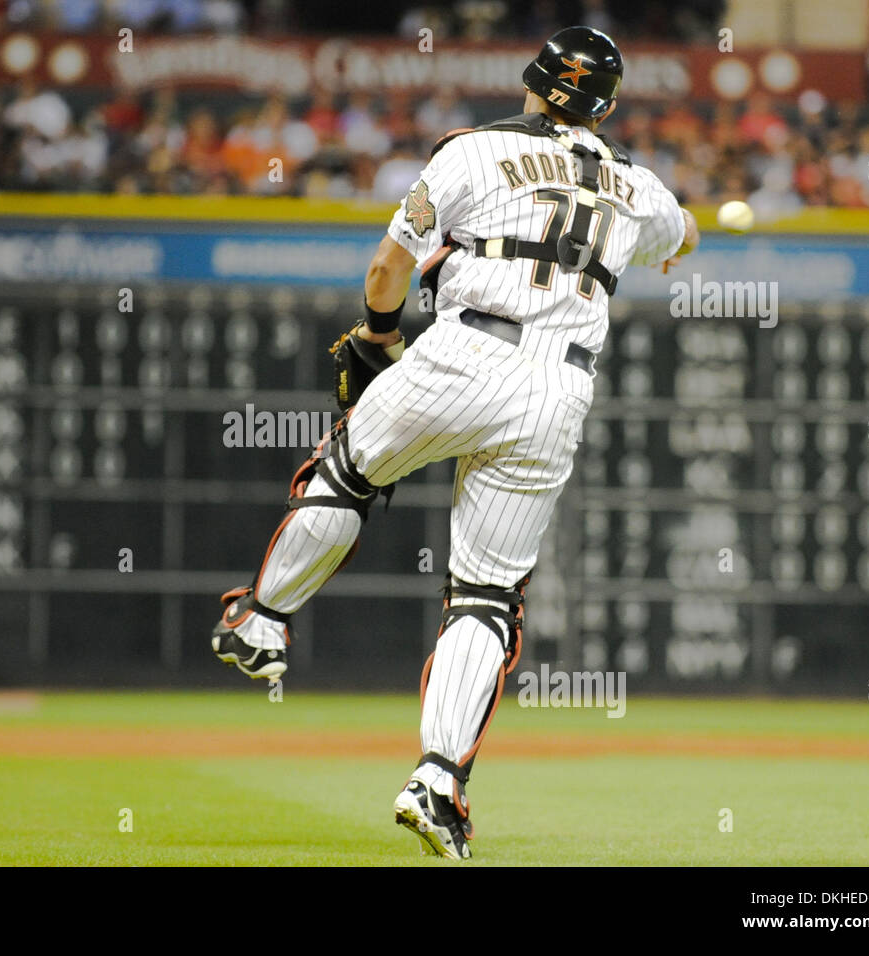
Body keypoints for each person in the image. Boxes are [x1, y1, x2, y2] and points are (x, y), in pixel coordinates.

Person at [209, 26, 698, 860]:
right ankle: (438, 782)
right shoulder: (639, 187)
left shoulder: (469, 154)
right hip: (558, 389)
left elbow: (384, 274)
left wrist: (378, 333)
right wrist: (677, 230)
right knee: (485, 598)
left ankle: (261, 622)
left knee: (349, 475)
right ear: (607, 106)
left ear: (533, 84)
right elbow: (684, 236)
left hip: (463, 349)